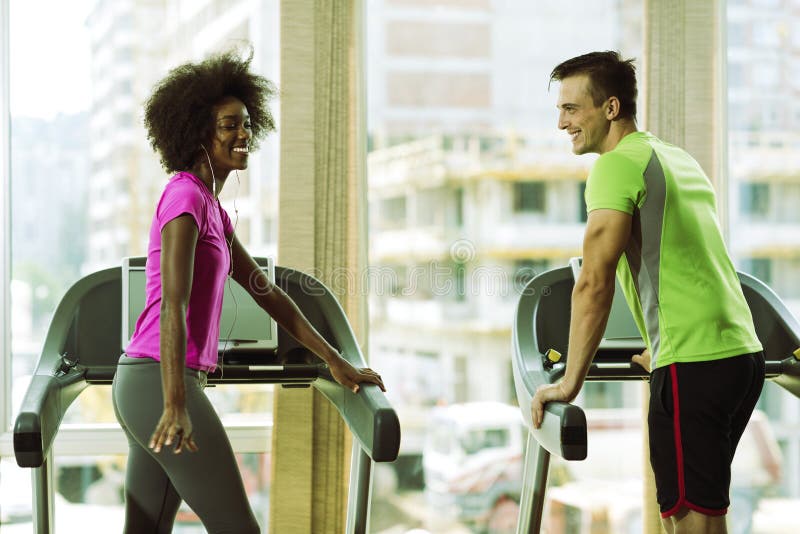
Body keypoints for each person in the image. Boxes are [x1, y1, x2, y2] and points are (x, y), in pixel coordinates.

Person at [111, 49, 385, 534]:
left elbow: (267, 293)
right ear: (198, 133)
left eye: (247, 124)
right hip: (158, 383)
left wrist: (332, 360)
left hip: (150, 383)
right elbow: (172, 303)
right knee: (240, 528)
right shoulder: (184, 196)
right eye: (230, 126)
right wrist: (175, 402)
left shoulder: (212, 208)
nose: (245, 136)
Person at [530, 51, 765, 534]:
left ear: (610, 108)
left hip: (694, 365)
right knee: (704, 511)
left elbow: (593, 283)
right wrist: (660, 349)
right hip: (740, 357)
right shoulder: (675, 158)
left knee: (690, 523)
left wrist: (569, 382)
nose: (561, 122)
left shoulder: (616, 167)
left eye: (572, 109)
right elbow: (688, 263)